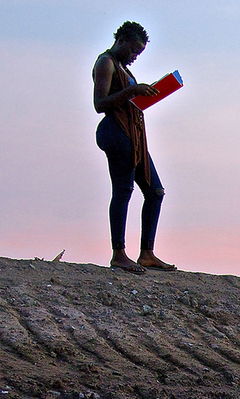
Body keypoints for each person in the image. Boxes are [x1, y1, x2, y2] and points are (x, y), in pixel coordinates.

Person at [93, 21, 175, 275]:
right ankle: (119, 254)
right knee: (123, 190)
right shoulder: (105, 62)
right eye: (133, 50)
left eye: (139, 53)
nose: (135, 56)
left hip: (134, 137)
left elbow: (127, 97)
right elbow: (100, 103)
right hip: (116, 132)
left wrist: (142, 93)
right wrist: (132, 91)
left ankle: (147, 254)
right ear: (121, 41)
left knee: (155, 192)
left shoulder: (122, 68)